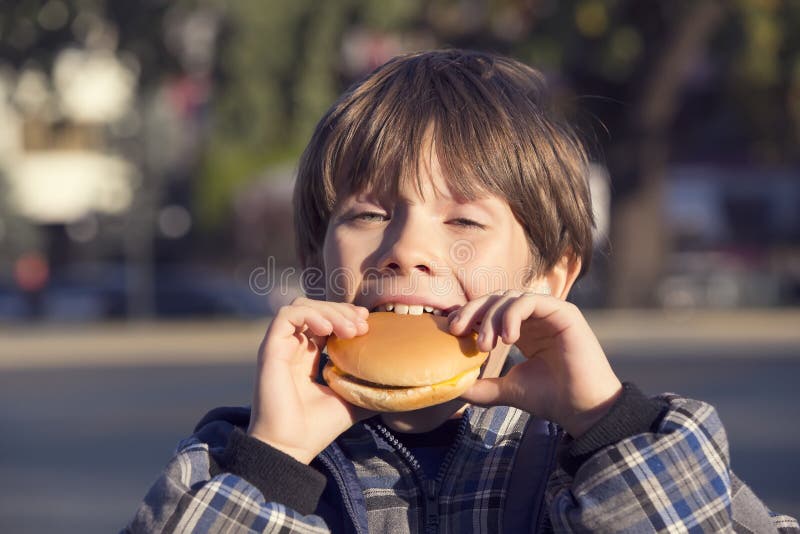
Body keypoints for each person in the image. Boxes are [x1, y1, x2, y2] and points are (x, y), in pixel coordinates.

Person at [124, 49, 799, 533]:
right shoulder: (229, 465)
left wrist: (607, 427)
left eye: (464, 221)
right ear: (314, 264)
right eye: (369, 214)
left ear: (550, 280)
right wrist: (272, 464)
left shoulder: (616, 453)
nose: (407, 250)